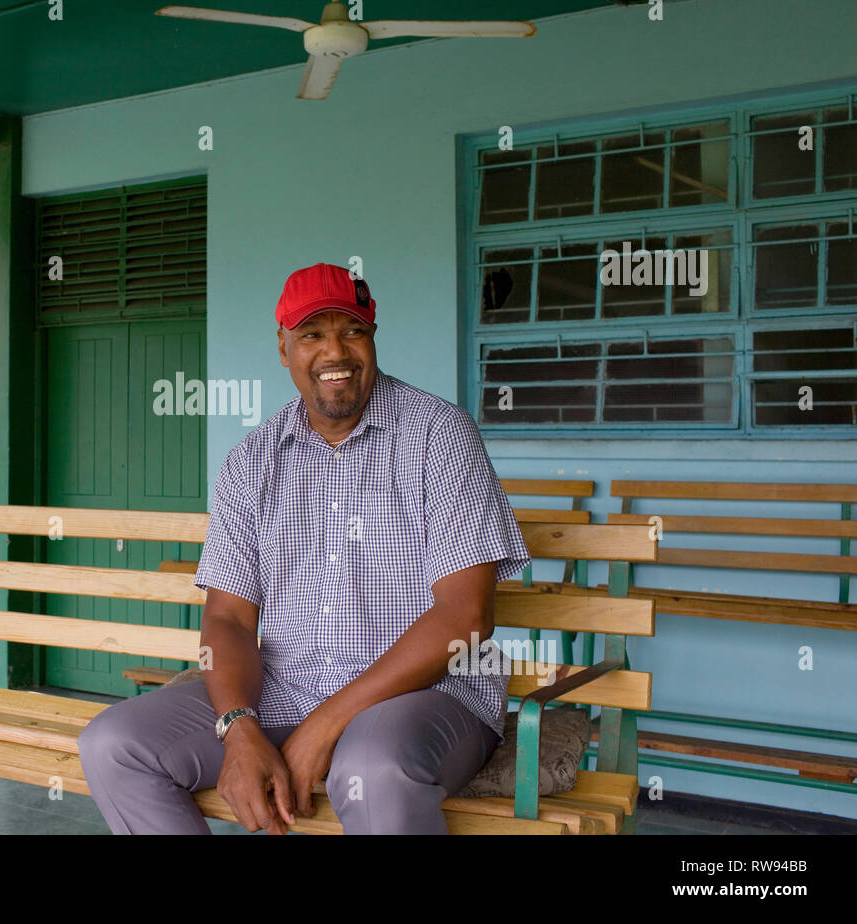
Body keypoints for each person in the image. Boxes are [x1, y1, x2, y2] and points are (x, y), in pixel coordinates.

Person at [79, 263, 530, 834]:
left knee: (371, 766)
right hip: (285, 687)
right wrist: (239, 726)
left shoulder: (439, 435)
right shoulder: (253, 460)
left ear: (372, 337)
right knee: (114, 745)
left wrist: (324, 725)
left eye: (353, 330)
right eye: (313, 334)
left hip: (426, 695)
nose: (335, 350)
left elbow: (465, 616)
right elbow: (228, 619)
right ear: (284, 347)